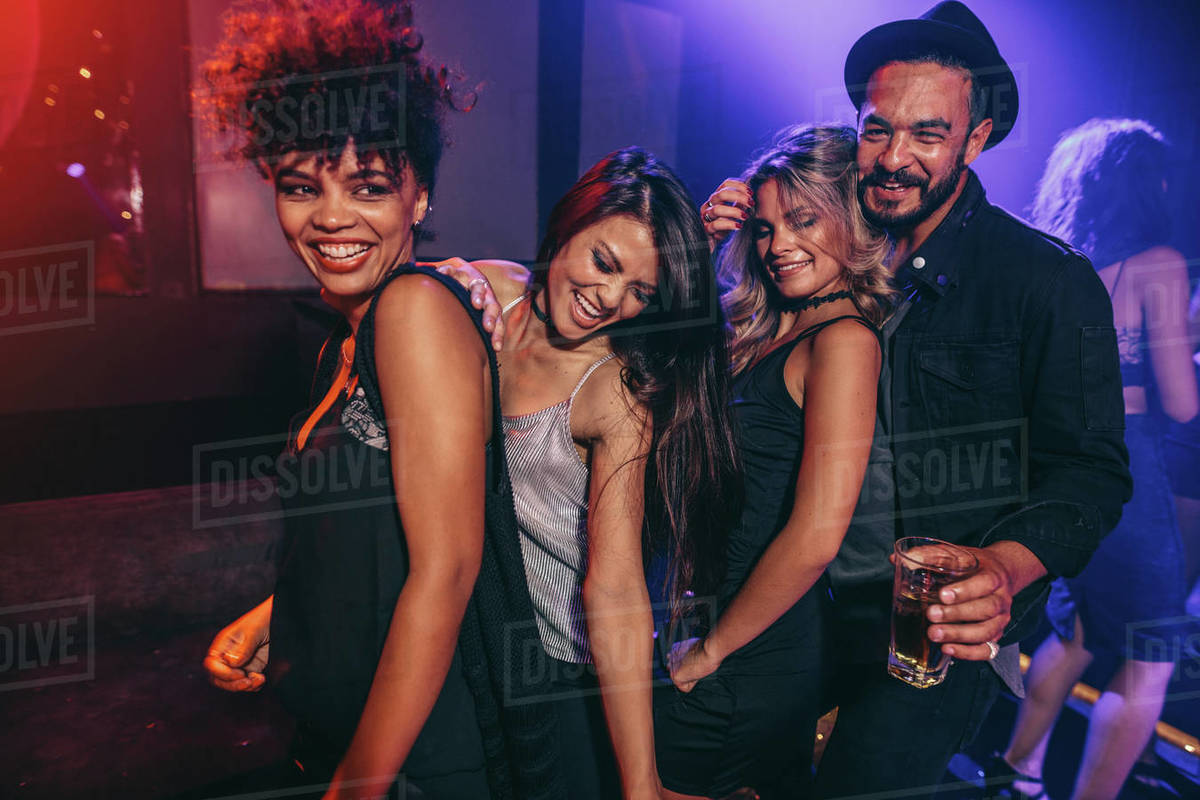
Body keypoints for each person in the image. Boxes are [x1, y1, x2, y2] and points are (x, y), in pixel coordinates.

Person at [697, 3, 1130, 796]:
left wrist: (1001, 569)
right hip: (798, 601)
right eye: (876, 129)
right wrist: (722, 242)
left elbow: (1092, 475)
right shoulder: (824, 242)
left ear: (978, 137)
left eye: (928, 134)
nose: (894, 158)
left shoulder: (1045, 282)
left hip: (932, 629)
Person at [196, 2, 561, 799]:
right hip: (344, 739)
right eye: (301, 186)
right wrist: (273, 616)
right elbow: (378, 538)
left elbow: (449, 566)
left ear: (419, 196)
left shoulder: (413, 312)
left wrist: (358, 785)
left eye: (367, 185)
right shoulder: (344, 340)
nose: (330, 217)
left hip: (415, 767)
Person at [439, 147, 741, 800]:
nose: (609, 299)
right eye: (604, 262)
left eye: (641, 293)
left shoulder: (615, 394)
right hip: (461, 641)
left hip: (558, 673)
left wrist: (642, 784)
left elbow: (615, 587)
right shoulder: (486, 297)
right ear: (568, 224)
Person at [651, 125, 890, 800]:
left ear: (853, 220)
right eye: (764, 226)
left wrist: (712, 651)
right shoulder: (760, 328)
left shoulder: (844, 341)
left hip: (751, 651)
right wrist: (699, 247)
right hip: (693, 623)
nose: (779, 244)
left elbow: (817, 535)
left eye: (805, 220)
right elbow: (642, 371)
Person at [996, 118, 1199, 800]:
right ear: (1146, 184)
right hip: (1130, 467)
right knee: (1152, 655)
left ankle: (1018, 772)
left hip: (1055, 464)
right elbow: (1181, 401)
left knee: (1077, 629)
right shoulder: (1159, 265)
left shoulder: (1057, 261)